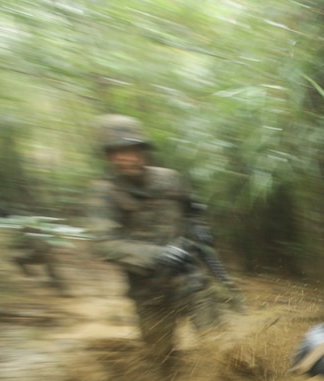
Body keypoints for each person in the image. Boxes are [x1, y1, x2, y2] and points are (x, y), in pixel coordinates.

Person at [86, 114, 223, 365]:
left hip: (189, 279)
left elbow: (192, 210)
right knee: (160, 362)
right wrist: (157, 254)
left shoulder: (170, 179)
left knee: (220, 345)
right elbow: (103, 242)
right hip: (148, 292)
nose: (129, 157)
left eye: (134, 150)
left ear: (143, 151)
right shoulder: (104, 192)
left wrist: (198, 227)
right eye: (120, 152)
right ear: (109, 156)